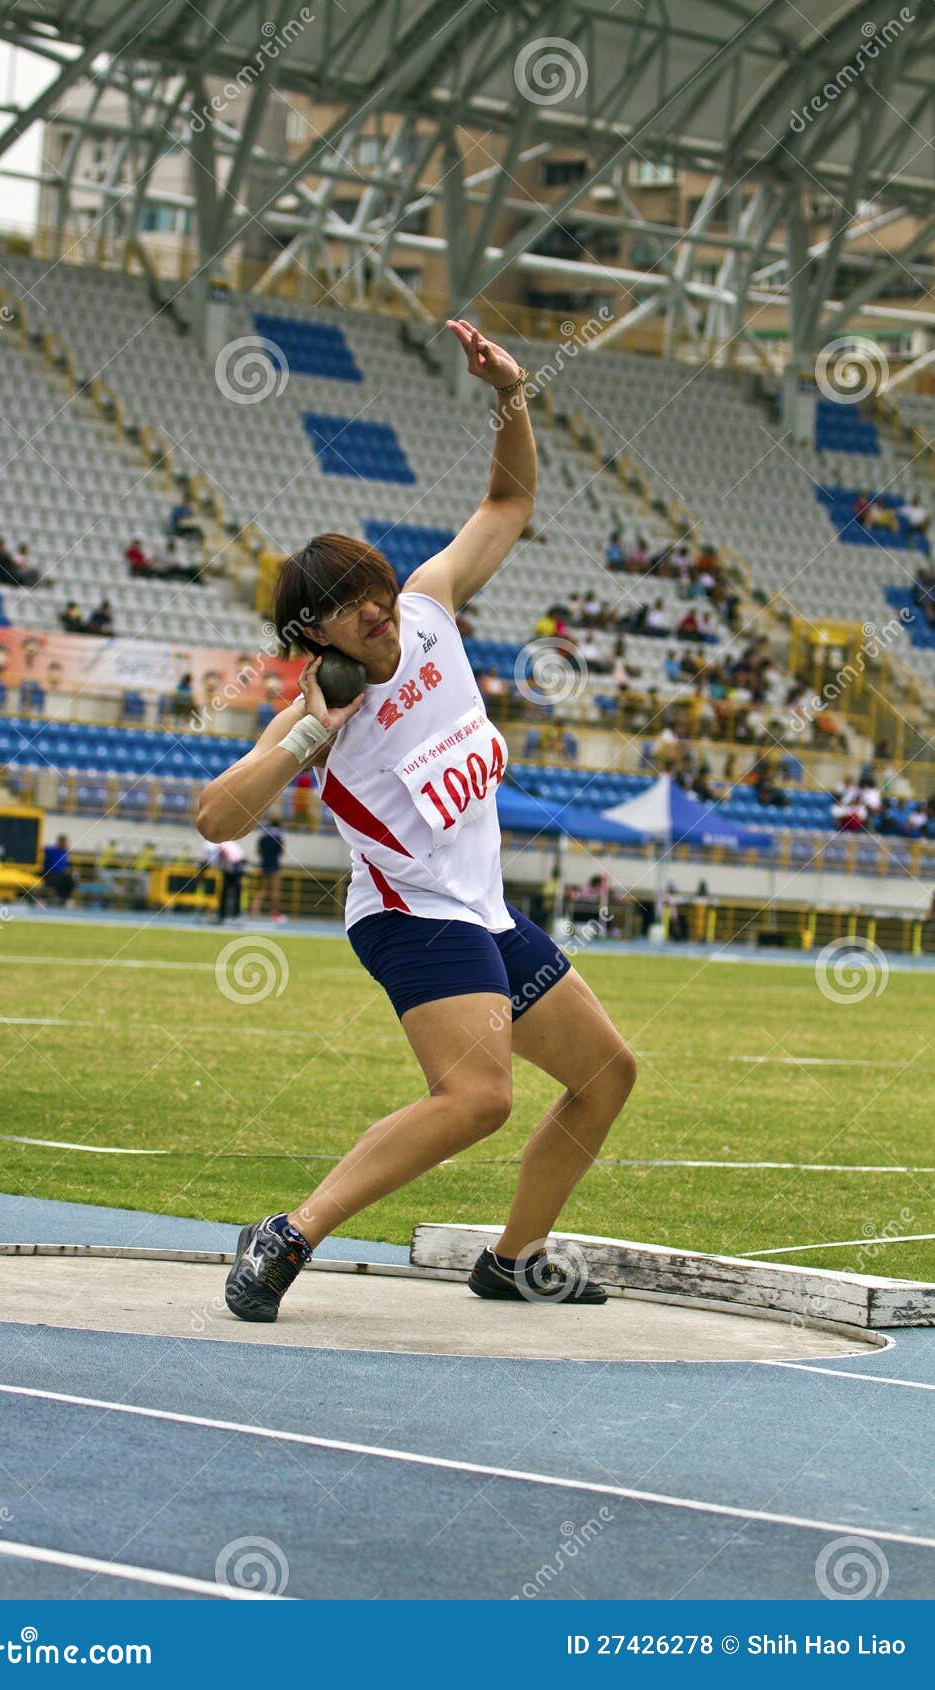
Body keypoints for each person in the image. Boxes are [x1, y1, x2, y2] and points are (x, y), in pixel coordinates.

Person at [198, 316, 635, 1324]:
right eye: (351, 605)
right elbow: (214, 812)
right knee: (478, 1097)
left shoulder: (433, 604)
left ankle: (511, 1257)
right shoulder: (316, 713)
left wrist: (510, 395)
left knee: (606, 1071)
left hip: (479, 910)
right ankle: (288, 1233)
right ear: (312, 632)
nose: (378, 610)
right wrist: (310, 736)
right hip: (406, 916)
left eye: (375, 587)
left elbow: (509, 498)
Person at [249, 818, 285, 921]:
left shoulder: (263, 836)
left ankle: (254, 911)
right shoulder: (279, 836)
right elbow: (282, 852)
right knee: (275, 890)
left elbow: (258, 851)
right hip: (275, 865)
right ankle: (275, 913)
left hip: (264, 864)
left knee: (262, 890)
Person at [42, 834, 76, 903]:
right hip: (50, 874)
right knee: (58, 879)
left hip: (61, 875)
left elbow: (66, 866)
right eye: (63, 842)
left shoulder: (65, 853)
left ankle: (65, 899)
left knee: (70, 880)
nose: (65, 844)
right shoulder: (50, 850)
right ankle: (56, 897)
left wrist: (68, 870)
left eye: (65, 842)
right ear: (59, 842)